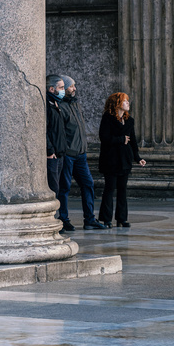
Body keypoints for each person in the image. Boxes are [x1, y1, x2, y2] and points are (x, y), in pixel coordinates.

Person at [57, 75, 104, 231]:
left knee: (88, 184)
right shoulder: (60, 106)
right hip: (68, 154)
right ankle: (64, 219)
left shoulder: (76, 105)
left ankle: (89, 220)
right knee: (64, 188)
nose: (74, 88)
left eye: (73, 86)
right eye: (71, 86)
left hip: (81, 154)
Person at [98, 91, 146, 227]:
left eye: (127, 101)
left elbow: (133, 141)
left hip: (125, 159)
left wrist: (138, 158)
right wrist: (121, 139)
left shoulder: (130, 120)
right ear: (117, 103)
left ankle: (121, 219)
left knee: (122, 190)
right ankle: (106, 219)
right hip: (111, 160)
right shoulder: (107, 118)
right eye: (125, 101)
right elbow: (104, 138)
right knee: (109, 189)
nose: (128, 103)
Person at [45, 75, 67, 216]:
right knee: (53, 189)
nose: (63, 90)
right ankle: (50, 218)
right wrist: (50, 150)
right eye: (61, 88)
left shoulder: (56, 104)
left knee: (58, 188)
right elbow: (44, 129)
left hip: (59, 153)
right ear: (51, 89)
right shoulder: (48, 104)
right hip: (52, 154)